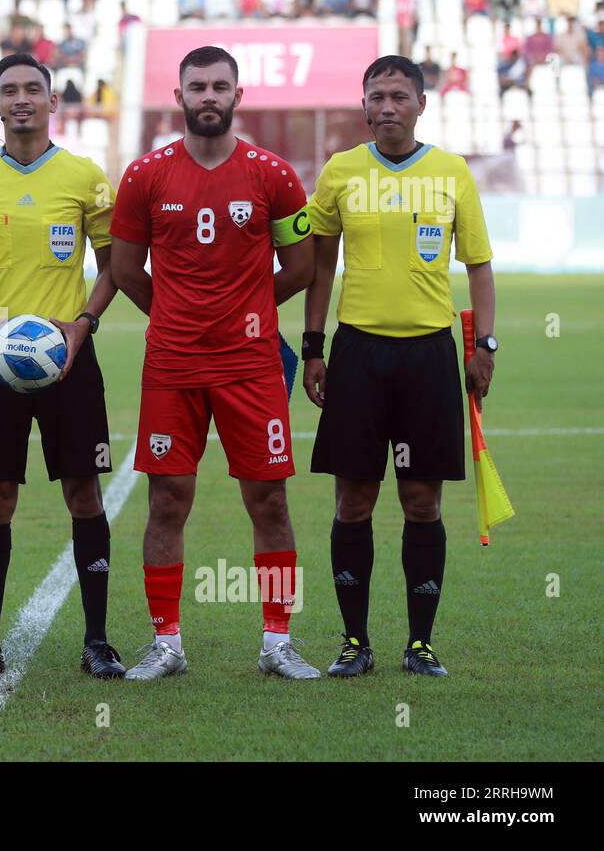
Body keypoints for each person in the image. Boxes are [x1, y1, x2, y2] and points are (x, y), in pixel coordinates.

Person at [109, 45, 320, 681]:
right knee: (167, 500)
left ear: (237, 96)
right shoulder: (145, 175)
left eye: (219, 86)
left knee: (269, 501)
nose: (208, 96)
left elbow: (303, 267)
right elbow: (124, 270)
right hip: (171, 365)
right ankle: (166, 643)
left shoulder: (273, 175)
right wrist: (176, 316)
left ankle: (277, 642)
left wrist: (245, 311)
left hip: (251, 366)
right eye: (196, 86)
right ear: (179, 97)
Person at [302, 56, 496, 678]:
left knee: (422, 502)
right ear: (363, 105)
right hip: (358, 353)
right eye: (376, 96)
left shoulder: (451, 172)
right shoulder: (339, 172)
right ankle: (355, 643)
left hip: (429, 356)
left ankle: (421, 643)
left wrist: (484, 346)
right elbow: (319, 267)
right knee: (353, 501)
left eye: (398, 96)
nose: (387, 107)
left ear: (420, 104)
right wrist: (313, 348)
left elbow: (480, 265)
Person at [0, 53, 124, 680]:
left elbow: (115, 266)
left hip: (69, 359)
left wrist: (82, 326)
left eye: (32, 90)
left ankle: (97, 641)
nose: (21, 99)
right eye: (9, 90)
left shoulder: (86, 177)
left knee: (83, 490)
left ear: (52, 102)